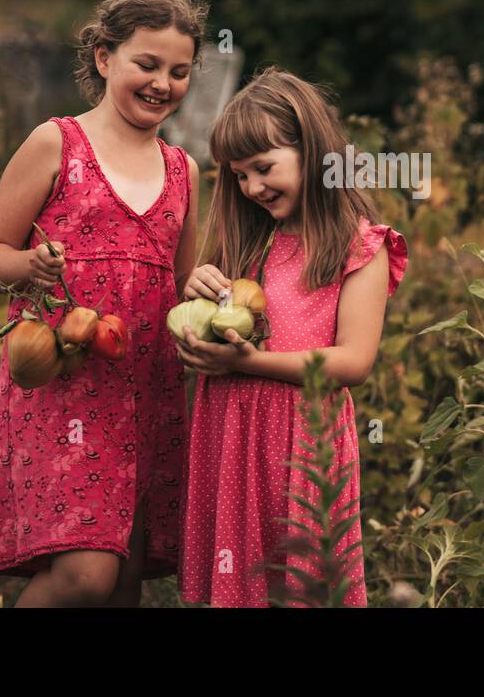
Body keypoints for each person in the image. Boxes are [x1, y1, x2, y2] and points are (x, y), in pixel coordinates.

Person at [0, 0, 207, 606]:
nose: (162, 83)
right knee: (85, 575)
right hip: (65, 385)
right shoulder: (57, 143)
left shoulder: (185, 171)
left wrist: (207, 294)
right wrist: (29, 267)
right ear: (104, 58)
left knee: (125, 578)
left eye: (180, 72)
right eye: (147, 64)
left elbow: (181, 288)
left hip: (149, 389)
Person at [177, 66, 408, 607]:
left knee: (300, 582)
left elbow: (352, 363)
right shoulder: (246, 244)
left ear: (311, 151)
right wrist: (194, 300)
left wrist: (246, 363)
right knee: (243, 582)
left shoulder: (360, 248)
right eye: (238, 176)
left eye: (263, 168)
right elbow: (206, 338)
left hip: (305, 441)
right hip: (233, 432)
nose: (252, 187)